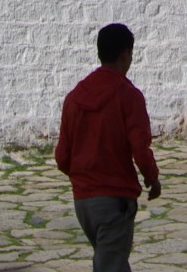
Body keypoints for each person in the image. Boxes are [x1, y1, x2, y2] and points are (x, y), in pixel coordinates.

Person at [55, 23, 161, 272]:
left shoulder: (75, 97)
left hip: (84, 204)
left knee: (112, 262)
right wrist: (152, 179)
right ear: (126, 54)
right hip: (114, 200)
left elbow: (62, 157)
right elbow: (140, 147)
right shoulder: (127, 95)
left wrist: (84, 179)